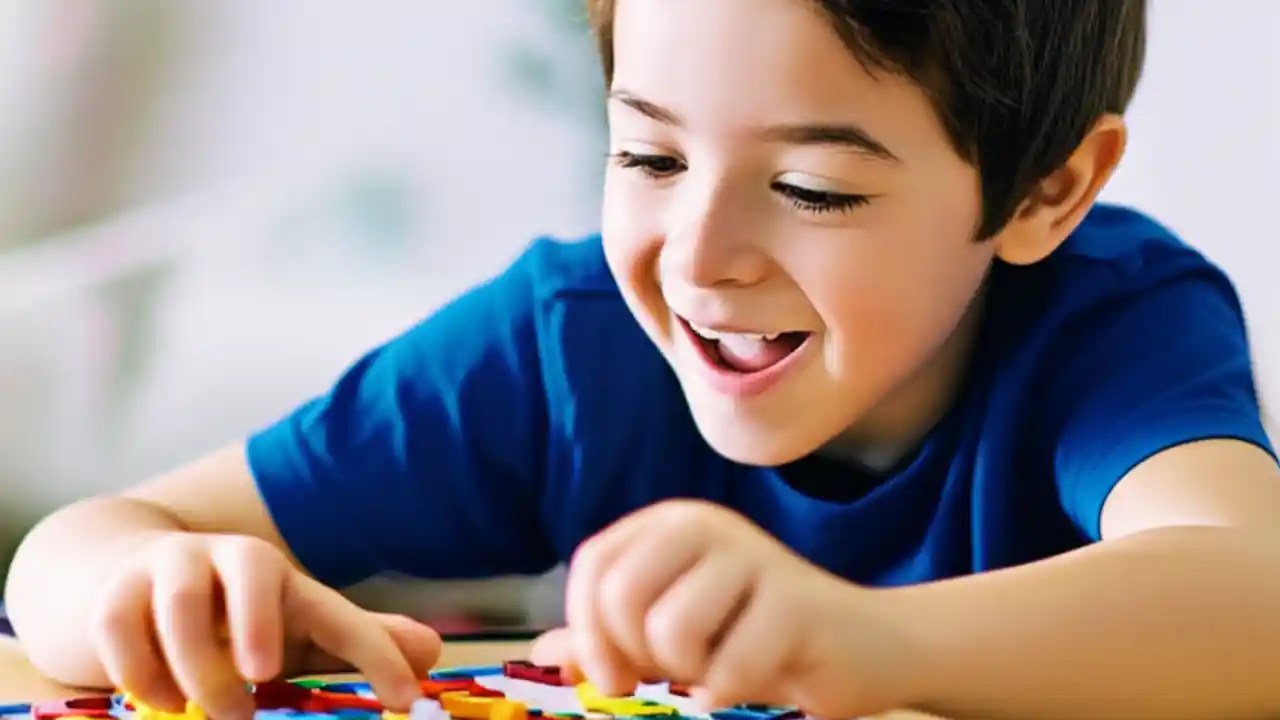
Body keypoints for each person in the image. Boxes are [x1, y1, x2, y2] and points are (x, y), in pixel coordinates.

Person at [8, 0, 1280, 717]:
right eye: (650, 159)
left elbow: (1253, 604)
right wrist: (151, 584)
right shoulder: (566, 340)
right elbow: (87, 545)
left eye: (810, 188)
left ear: (1046, 191)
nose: (698, 257)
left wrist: (859, 643)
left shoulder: (1113, 316)